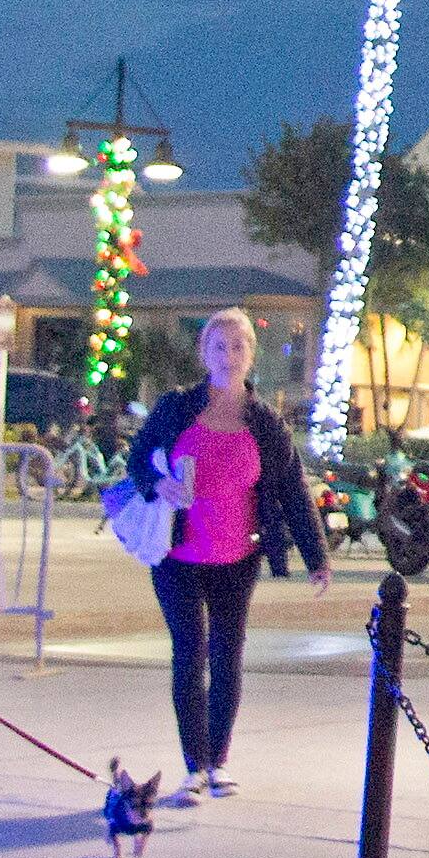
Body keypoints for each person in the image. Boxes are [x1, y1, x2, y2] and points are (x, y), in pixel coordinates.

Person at [118, 307, 328, 807]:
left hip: (238, 556)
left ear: (251, 355)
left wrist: (315, 554)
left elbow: (292, 489)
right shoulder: (176, 409)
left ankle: (219, 761)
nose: (229, 356)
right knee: (190, 651)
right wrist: (159, 482)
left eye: (238, 347)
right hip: (178, 555)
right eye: (219, 346)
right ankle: (194, 765)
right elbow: (136, 460)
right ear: (204, 353)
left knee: (228, 654)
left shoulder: (266, 424)